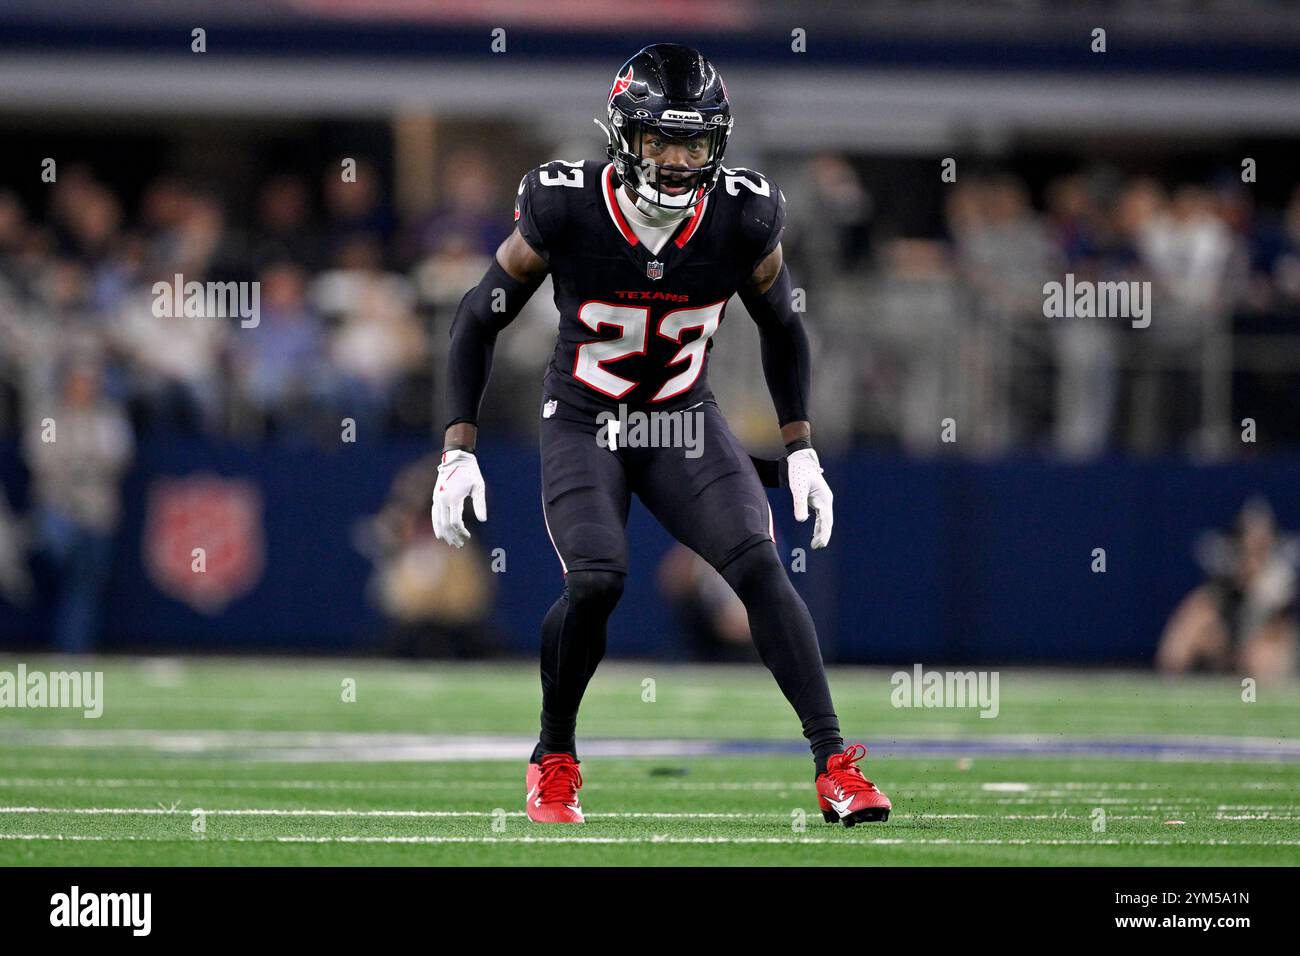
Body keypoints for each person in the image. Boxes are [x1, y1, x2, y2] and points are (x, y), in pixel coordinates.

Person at [431, 44, 890, 826]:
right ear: (622, 137)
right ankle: (555, 757)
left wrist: (802, 444)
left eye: (694, 142)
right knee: (598, 579)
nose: (677, 162)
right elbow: (478, 317)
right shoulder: (565, 203)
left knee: (758, 563)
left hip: (682, 420)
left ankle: (835, 765)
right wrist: (456, 450)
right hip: (586, 419)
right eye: (658, 141)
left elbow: (783, 328)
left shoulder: (745, 216)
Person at [1157, 497, 1297, 683]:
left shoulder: (1278, 577)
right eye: (1250, 539)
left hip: (1261, 641)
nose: (1254, 547)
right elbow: (1208, 605)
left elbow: (1278, 630)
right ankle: (1176, 690)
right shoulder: (1229, 570)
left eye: (1260, 542)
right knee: (1192, 621)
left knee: (1262, 657)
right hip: (1230, 639)